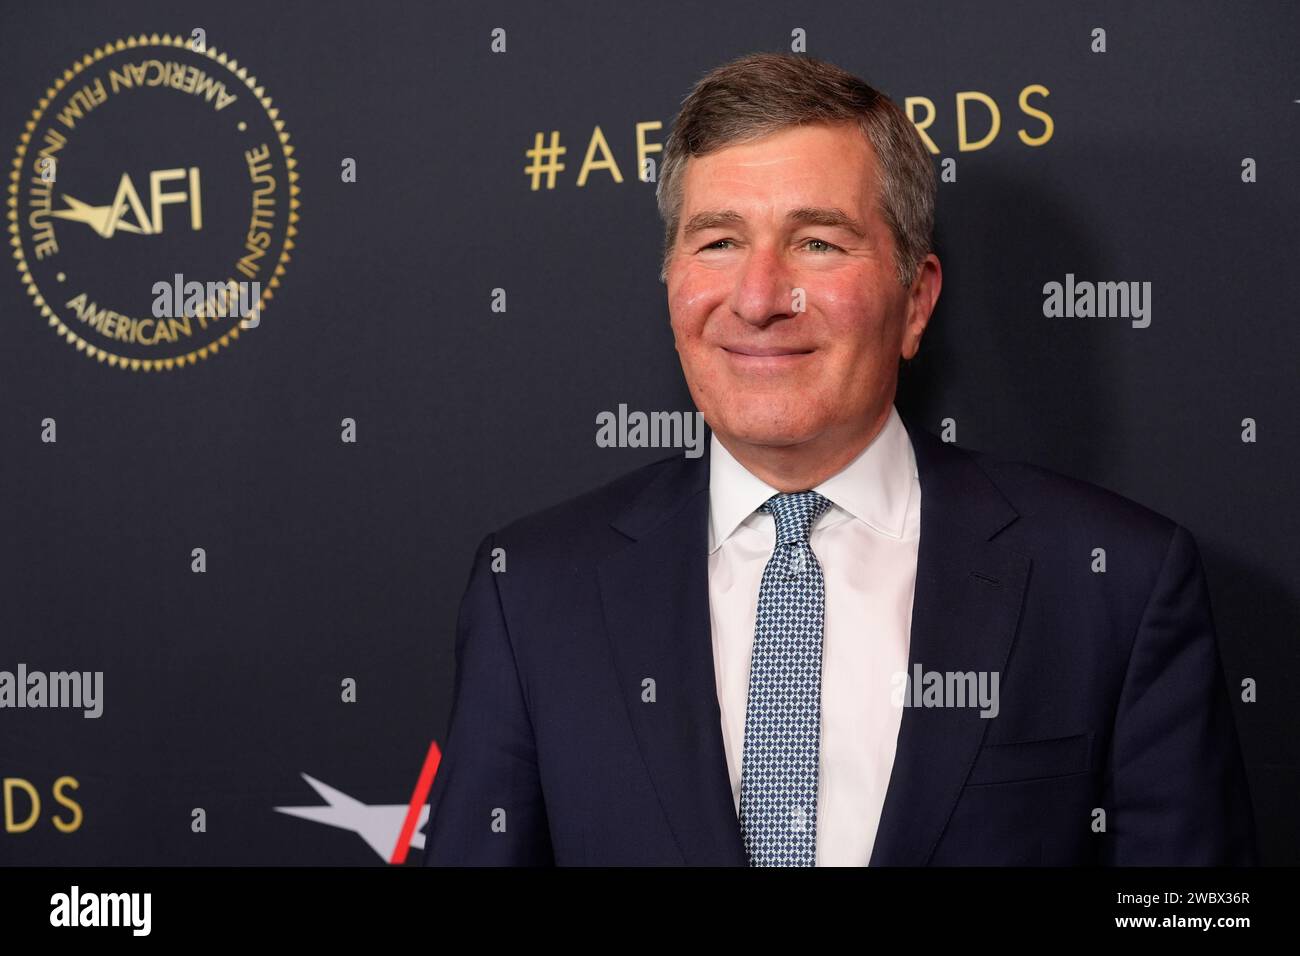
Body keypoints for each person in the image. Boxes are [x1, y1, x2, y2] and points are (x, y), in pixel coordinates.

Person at [423, 52, 1256, 866]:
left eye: (817, 242)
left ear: (916, 301)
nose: (758, 299)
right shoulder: (531, 590)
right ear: (671, 282)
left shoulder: (1117, 582)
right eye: (717, 243)